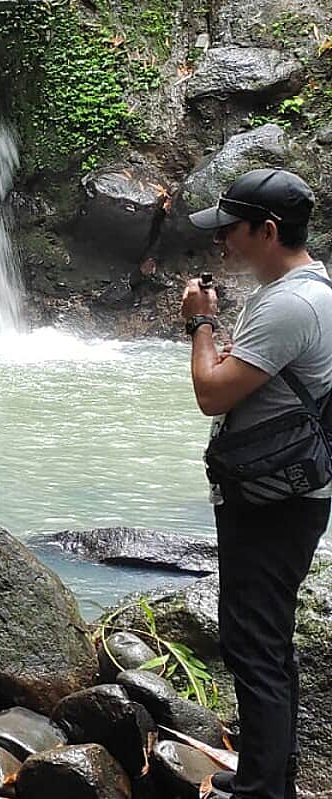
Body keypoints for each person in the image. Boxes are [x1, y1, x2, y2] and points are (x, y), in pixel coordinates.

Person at [183, 168, 331, 799]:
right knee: (266, 634)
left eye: (231, 231)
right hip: (291, 493)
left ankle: (265, 788)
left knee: (252, 639)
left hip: (273, 501)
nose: (222, 244)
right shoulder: (313, 287)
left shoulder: (291, 304)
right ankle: (275, 773)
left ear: (267, 231)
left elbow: (213, 393)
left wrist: (199, 324)